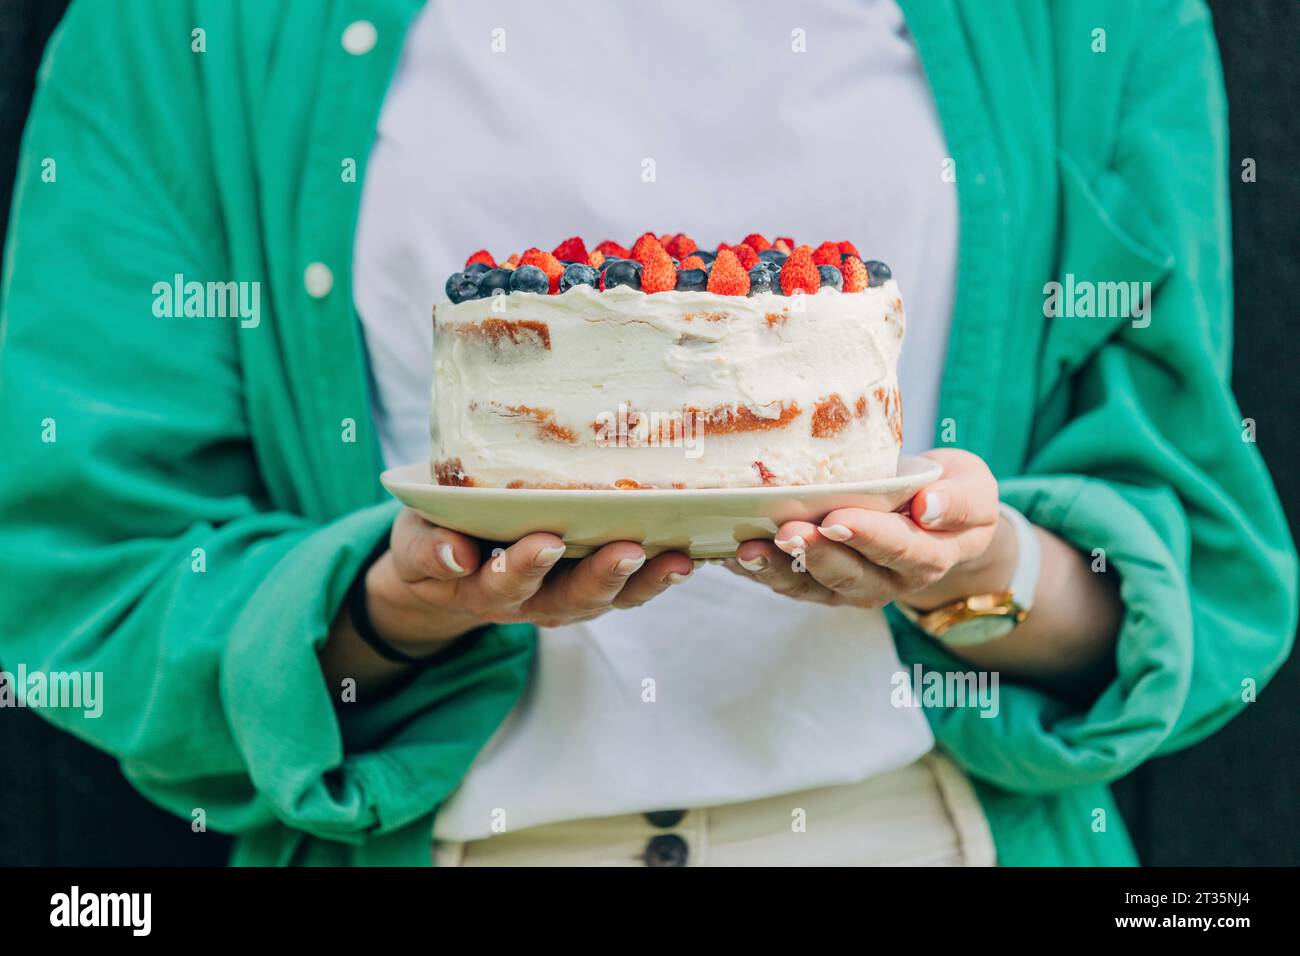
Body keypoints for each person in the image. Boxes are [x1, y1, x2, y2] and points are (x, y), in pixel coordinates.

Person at [0, 0, 1294, 866]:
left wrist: (985, 578)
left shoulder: (1096, 22)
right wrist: (391, 614)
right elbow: (83, 576)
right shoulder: (181, 28)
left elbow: (1192, 572)